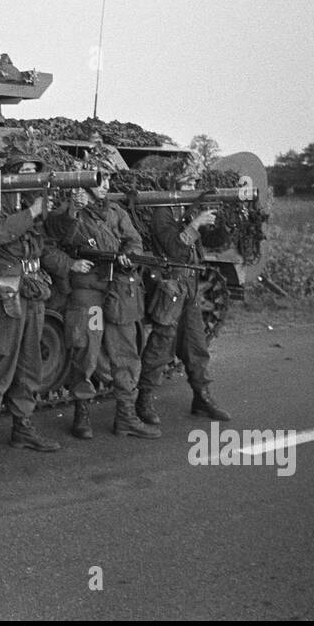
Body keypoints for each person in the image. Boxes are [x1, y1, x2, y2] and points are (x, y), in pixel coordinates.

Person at [45, 161, 160, 439]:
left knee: (124, 353)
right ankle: (82, 414)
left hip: (118, 290)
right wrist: (70, 264)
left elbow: (134, 241)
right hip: (88, 292)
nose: (106, 185)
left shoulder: (116, 213)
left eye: (108, 179)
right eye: (100, 179)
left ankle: (126, 416)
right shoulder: (68, 213)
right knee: (85, 350)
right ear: (83, 182)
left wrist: (128, 258)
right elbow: (47, 246)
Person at [0, 151, 62, 460]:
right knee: (1, 362)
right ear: (10, 173)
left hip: (33, 286)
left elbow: (50, 239)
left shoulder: (35, 200)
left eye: (33, 170)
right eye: (22, 170)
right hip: (6, 289)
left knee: (30, 362)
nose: (29, 175)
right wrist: (32, 211)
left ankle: (23, 427)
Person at [137, 159, 232, 423]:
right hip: (170, 287)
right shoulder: (163, 212)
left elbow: (213, 243)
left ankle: (202, 396)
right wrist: (194, 225)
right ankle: (143, 400)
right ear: (174, 183)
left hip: (189, 286)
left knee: (195, 344)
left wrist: (217, 223)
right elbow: (174, 249)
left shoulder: (188, 209)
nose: (192, 186)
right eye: (187, 182)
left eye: (194, 182)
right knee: (161, 344)